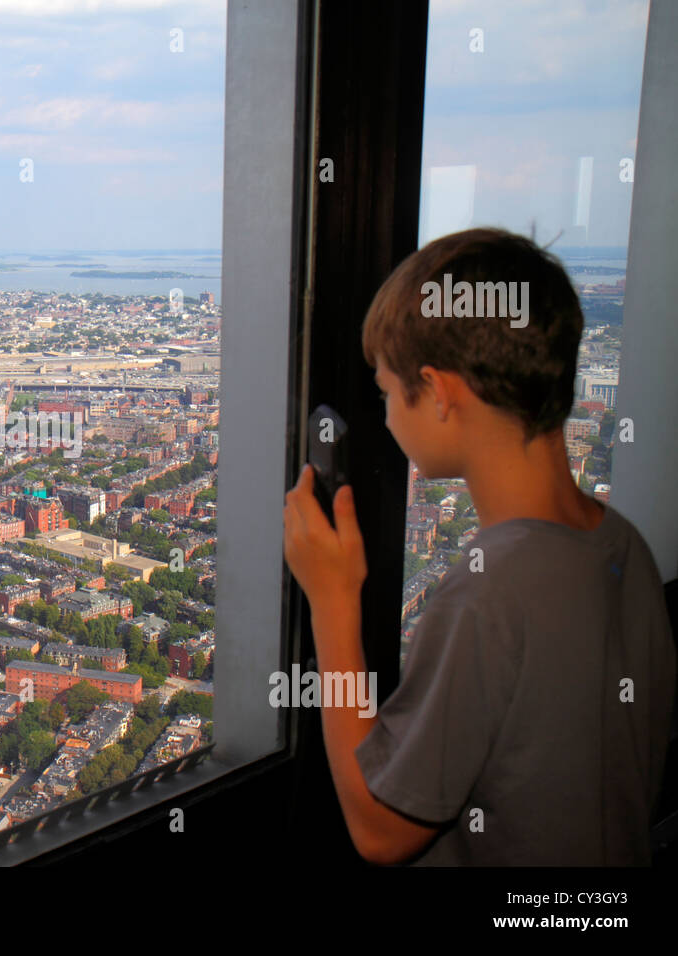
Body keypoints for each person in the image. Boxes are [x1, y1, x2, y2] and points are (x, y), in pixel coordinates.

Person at [282, 227, 675, 864]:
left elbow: (382, 830)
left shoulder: (491, 592)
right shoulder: (621, 544)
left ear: (439, 394)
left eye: (386, 391)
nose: (383, 416)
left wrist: (332, 602)